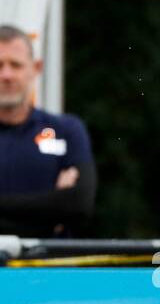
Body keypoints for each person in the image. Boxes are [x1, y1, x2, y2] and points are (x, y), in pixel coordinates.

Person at [0, 25, 96, 237]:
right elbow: (64, 207)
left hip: (48, 267)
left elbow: (79, 204)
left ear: (36, 68)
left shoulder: (67, 130)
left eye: (15, 65)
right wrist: (50, 216)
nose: (6, 75)